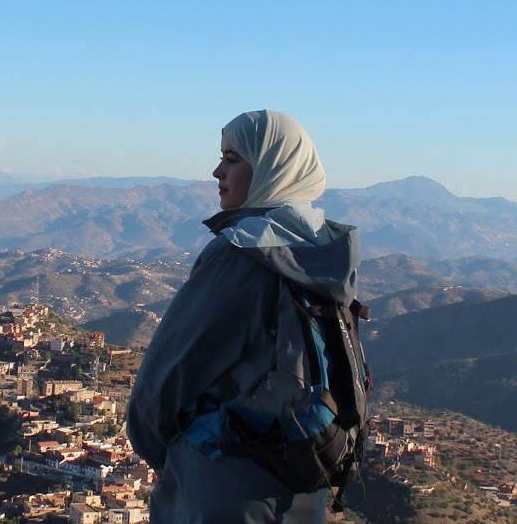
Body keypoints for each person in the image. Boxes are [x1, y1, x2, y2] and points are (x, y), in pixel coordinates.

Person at [127, 109, 361, 523]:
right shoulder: (324, 251)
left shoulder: (241, 253)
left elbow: (167, 375)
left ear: (272, 167)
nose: (218, 171)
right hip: (301, 480)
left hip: (221, 485)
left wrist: (156, 448)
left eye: (233, 159)